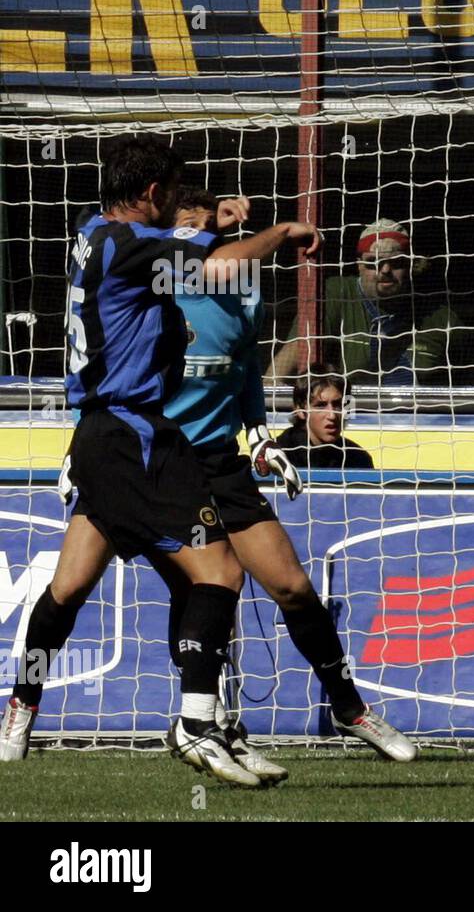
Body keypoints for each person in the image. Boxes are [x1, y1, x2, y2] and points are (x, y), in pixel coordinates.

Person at [0, 137, 320, 786]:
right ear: (151, 196)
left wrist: (214, 217)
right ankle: (198, 724)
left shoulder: (93, 233)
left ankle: (25, 705)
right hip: (136, 435)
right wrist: (282, 231)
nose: (179, 208)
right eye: (173, 196)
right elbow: (222, 269)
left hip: (102, 436)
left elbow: (178, 248)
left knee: (69, 590)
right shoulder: (136, 249)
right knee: (220, 573)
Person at [150, 189, 412, 782]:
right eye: (191, 221)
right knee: (191, 586)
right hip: (162, 460)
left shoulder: (243, 286)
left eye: (209, 223)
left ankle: (349, 709)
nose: (199, 231)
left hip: (221, 460)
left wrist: (260, 434)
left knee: (292, 585)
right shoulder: (157, 275)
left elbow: (243, 371)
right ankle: (201, 723)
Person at [270, 219, 460, 385]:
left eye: (396, 262)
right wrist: (266, 408)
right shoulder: (337, 294)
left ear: (410, 265)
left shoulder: (437, 317)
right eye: (373, 262)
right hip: (347, 413)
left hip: (416, 419)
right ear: (359, 265)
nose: (385, 270)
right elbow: (294, 353)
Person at [275, 367, 374, 471]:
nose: (332, 415)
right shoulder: (279, 454)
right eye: (320, 406)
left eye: (337, 405)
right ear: (300, 410)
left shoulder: (358, 458)